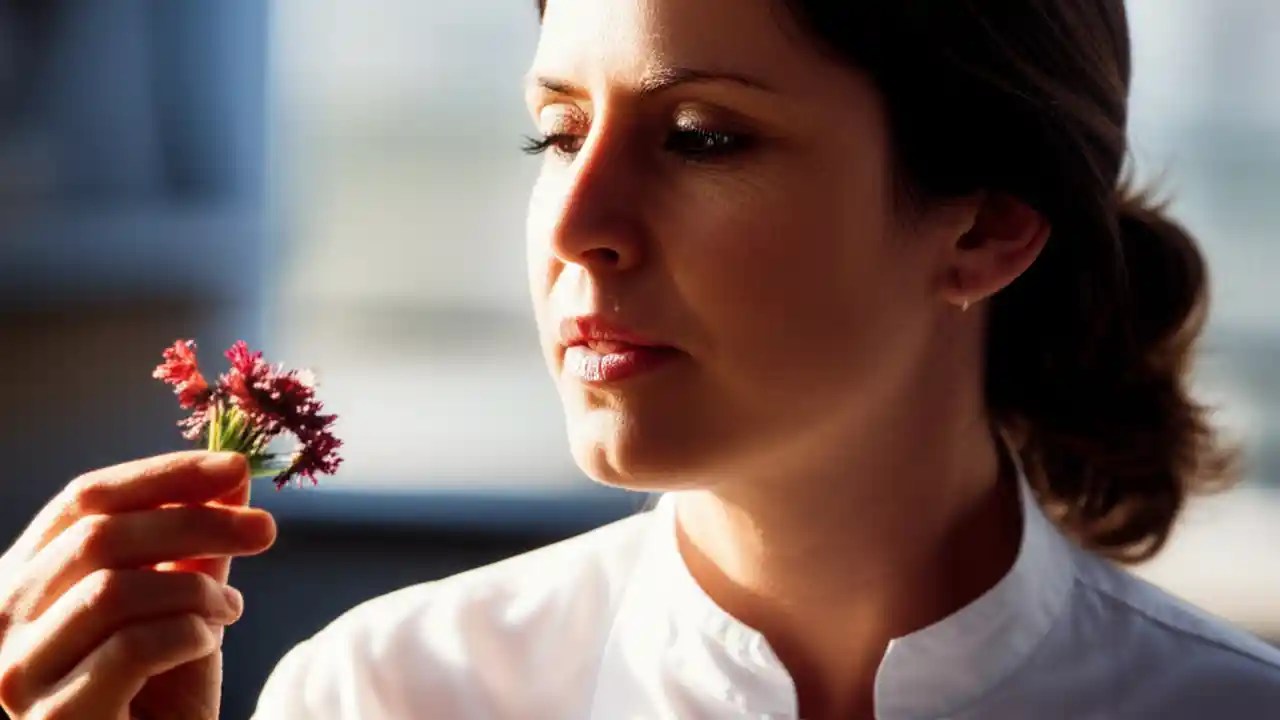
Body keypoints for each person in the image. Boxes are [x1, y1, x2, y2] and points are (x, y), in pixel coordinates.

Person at [2, 0, 1279, 717]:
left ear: (987, 225)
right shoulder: (386, 696)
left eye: (704, 138)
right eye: (554, 134)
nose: (571, 226)